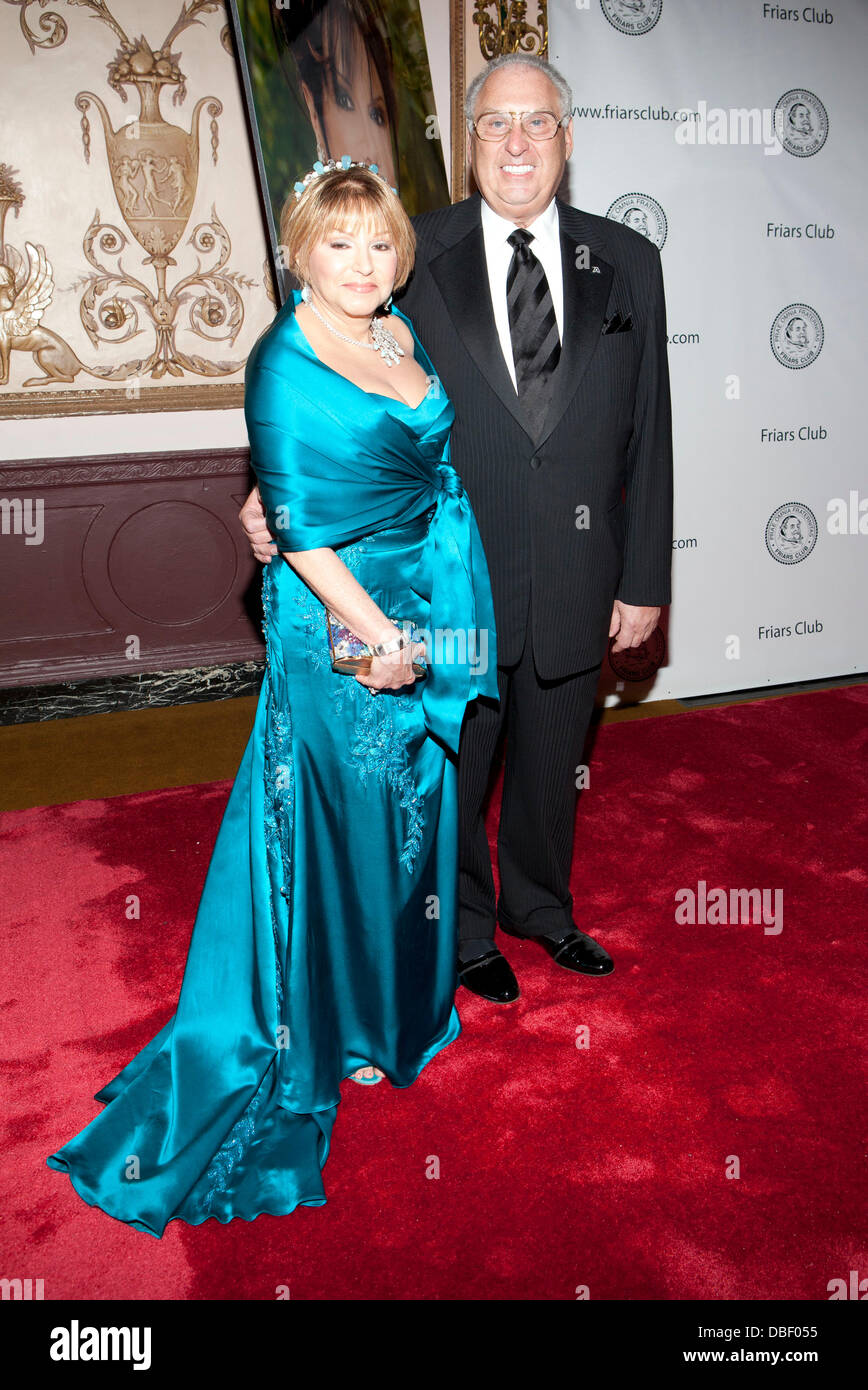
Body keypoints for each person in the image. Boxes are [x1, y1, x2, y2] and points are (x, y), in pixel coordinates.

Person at [45, 160, 497, 1237]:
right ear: (299, 251)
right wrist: (377, 636)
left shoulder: (394, 332)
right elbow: (297, 527)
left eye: (380, 243)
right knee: (339, 822)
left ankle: (395, 1010)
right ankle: (323, 1024)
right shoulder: (284, 361)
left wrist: (427, 616)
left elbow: (407, 465)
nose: (363, 263)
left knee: (416, 808)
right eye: (339, 245)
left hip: (423, 594)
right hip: (339, 620)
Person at [241, 52, 674, 1006]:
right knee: (454, 767)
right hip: (450, 579)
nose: (516, 143)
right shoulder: (406, 253)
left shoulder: (629, 260)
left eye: (538, 123)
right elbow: (329, 369)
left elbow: (652, 430)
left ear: (567, 136)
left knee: (557, 761)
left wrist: (644, 580)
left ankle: (541, 907)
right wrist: (269, 491)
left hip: (578, 569)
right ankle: (467, 928)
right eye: (494, 124)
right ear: (467, 139)